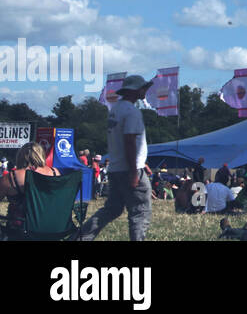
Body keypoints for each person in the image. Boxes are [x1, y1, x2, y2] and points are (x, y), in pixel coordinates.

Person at [78, 74, 152, 242]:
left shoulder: (115, 110)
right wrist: (134, 172)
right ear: (135, 90)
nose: (145, 91)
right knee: (140, 211)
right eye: (143, 88)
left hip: (116, 168)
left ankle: (81, 237)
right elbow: (130, 141)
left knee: (112, 209)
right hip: (131, 169)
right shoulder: (132, 112)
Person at [0, 142, 60, 238]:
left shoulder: (12, 177)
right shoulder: (55, 172)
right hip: (51, 228)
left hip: (19, 231)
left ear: (20, 156)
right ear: (41, 155)